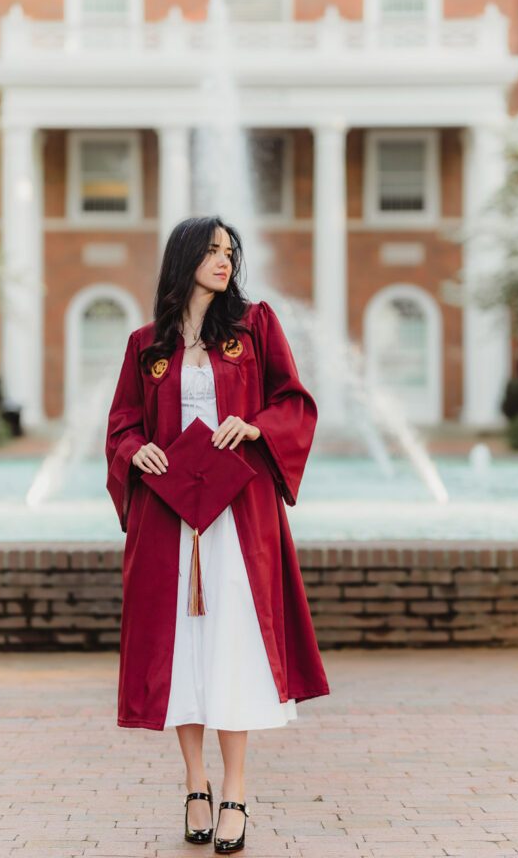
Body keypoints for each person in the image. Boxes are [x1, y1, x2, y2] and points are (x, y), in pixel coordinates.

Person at [105, 215, 330, 854]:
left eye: (229, 251)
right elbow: (121, 424)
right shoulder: (146, 345)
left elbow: (294, 401)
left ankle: (235, 791)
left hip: (238, 511)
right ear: (184, 259)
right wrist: (136, 451)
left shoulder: (254, 328)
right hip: (169, 517)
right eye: (210, 251)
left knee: (233, 642)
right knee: (184, 651)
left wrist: (256, 427)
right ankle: (195, 784)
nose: (223, 260)